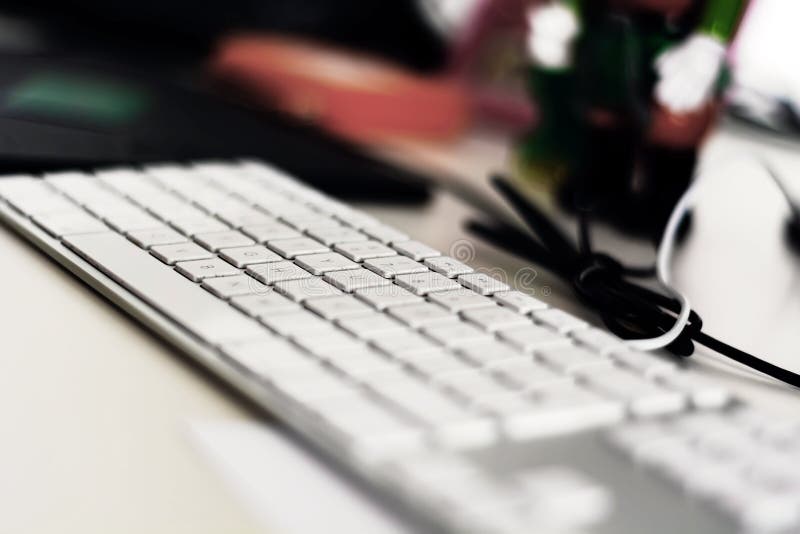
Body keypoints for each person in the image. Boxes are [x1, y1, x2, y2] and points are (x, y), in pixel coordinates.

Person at [520, 0, 747, 239]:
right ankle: (600, 183)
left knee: (678, 113)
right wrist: (565, 12)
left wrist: (710, 43)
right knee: (605, 104)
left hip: (677, 44)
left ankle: (663, 200)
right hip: (613, 33)